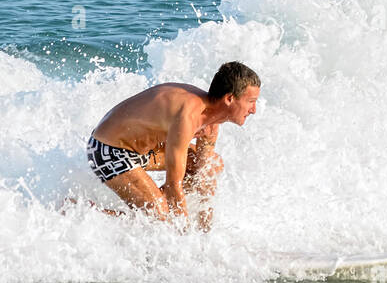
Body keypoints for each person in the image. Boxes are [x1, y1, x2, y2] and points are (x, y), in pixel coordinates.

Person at [86, 61, 260, 230]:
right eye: (251, 101)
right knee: (160, 218)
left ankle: (154, 208)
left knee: (212, 165)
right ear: (229, 98)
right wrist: (184, 236)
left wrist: (206, 229)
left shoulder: (212, 123)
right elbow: (173, 184)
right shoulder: (188, 116)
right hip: (107, 149)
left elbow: (204, 175)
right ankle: (88, 212)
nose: (254, 110)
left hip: (142, 150)